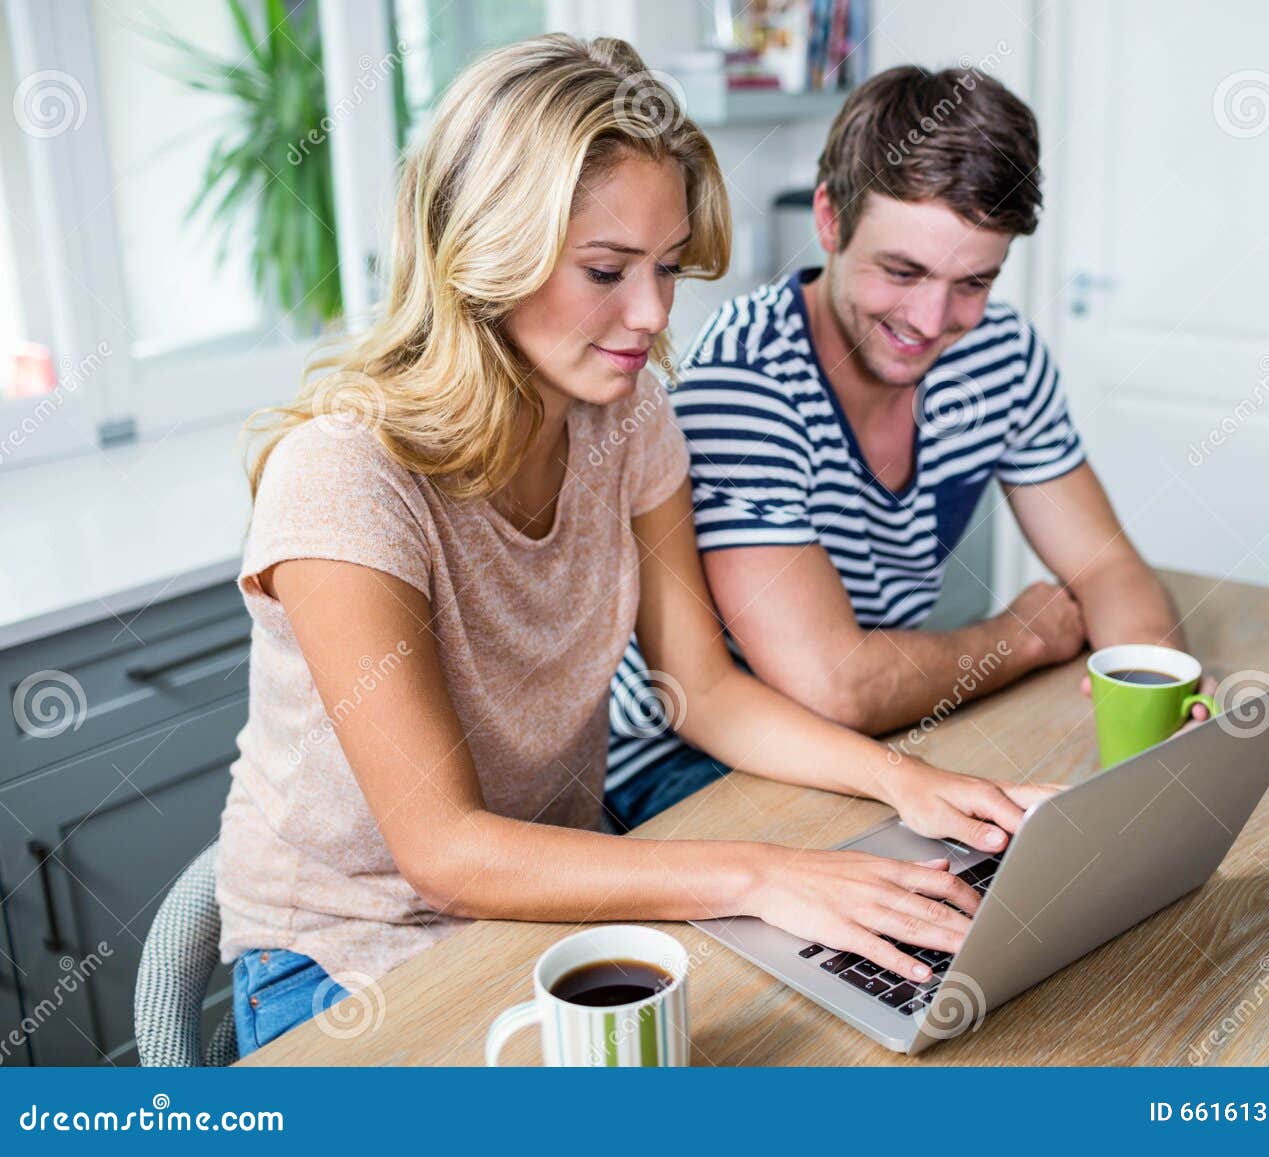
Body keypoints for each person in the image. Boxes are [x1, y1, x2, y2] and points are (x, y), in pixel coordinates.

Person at [216, 35, 1056, 1059]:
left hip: (560, 890)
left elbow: (699, 688)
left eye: (663, 269)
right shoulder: (347, 475)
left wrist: (901, 780)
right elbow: (441, 852)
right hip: (346, 958)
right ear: (484, 253)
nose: (653, 314)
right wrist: (759, 873)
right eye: (606, 271)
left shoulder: (625, 421)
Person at [606, 63, 1211, 830]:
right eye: (903, 270)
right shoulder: (745, 379)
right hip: (683, 769)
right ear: (828, 220)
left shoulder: (1000, 355)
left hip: (874, 741)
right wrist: (1024, 637)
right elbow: (836, 685)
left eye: (973, 282)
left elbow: (1108, 566)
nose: (933, 319)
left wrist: (1160, 698)